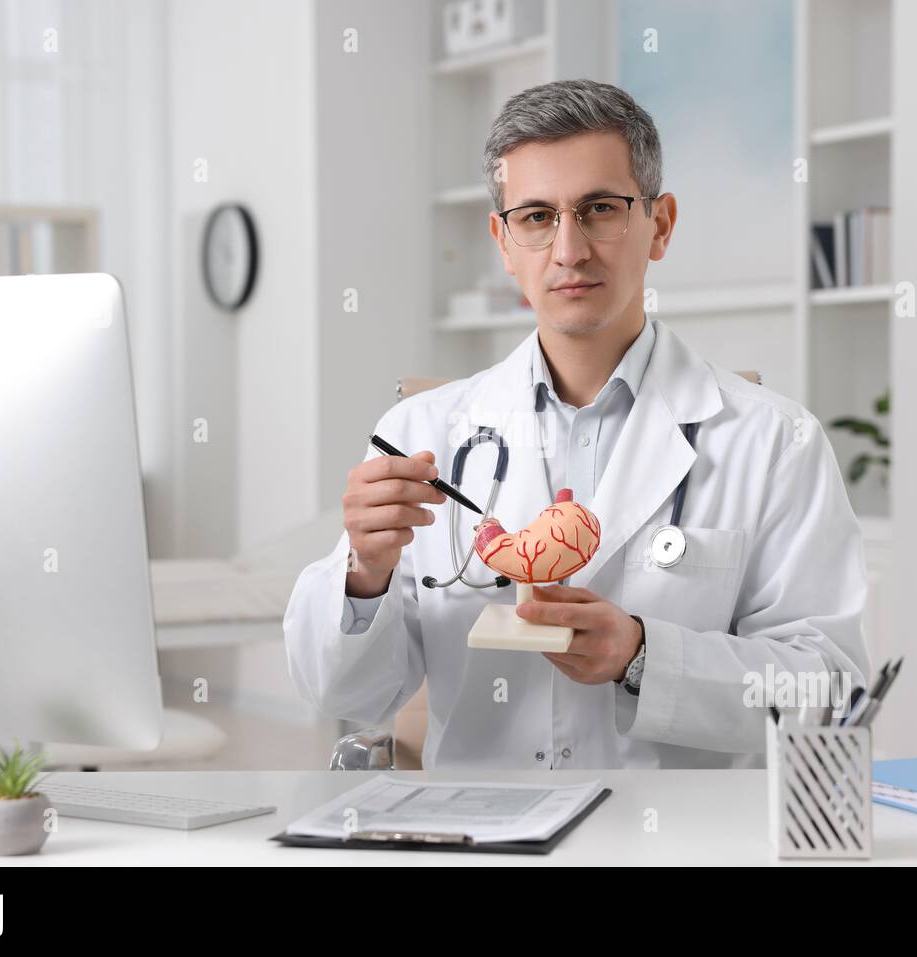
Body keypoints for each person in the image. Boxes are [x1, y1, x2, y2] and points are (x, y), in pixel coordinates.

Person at [284, 79, 869, 769]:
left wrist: (644, 655)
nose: (569, 249)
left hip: (681, 838)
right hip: (483, 827)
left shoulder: (775, 442)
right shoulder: (424, 434)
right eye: (536, 216)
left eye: (599, 209)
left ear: (661, 224)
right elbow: (341, 689)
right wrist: (365, 572)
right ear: (503, 241)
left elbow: (829, 689)